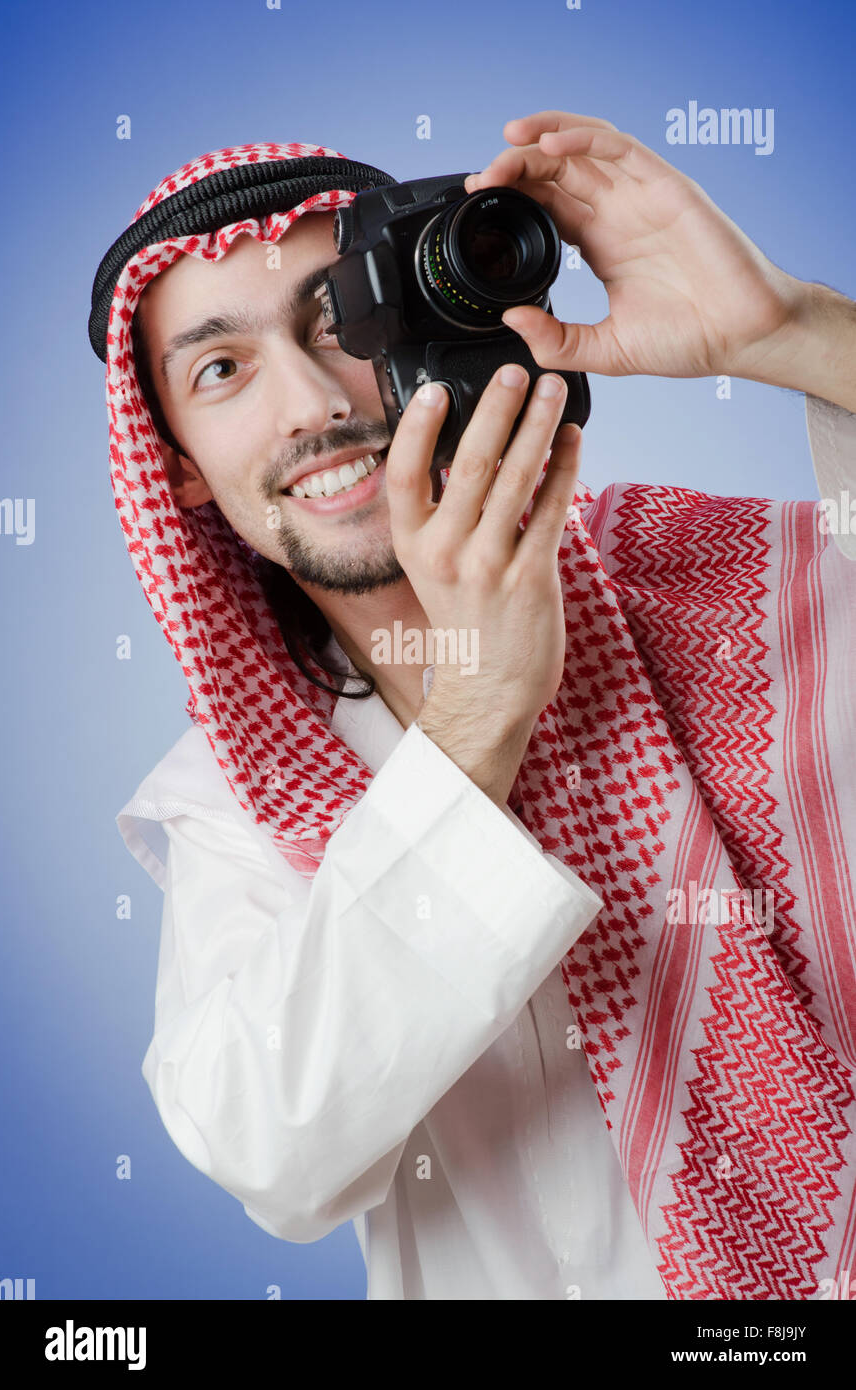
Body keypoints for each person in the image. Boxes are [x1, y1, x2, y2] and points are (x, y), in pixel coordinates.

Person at [91, 111, 856, 1301]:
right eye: (222, 369)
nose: (308, 406)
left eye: (336, 320)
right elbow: (273, 1152)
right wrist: (480, 710)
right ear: (177, 462)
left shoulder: (712, 575)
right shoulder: (227, 797)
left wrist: (794, 331)